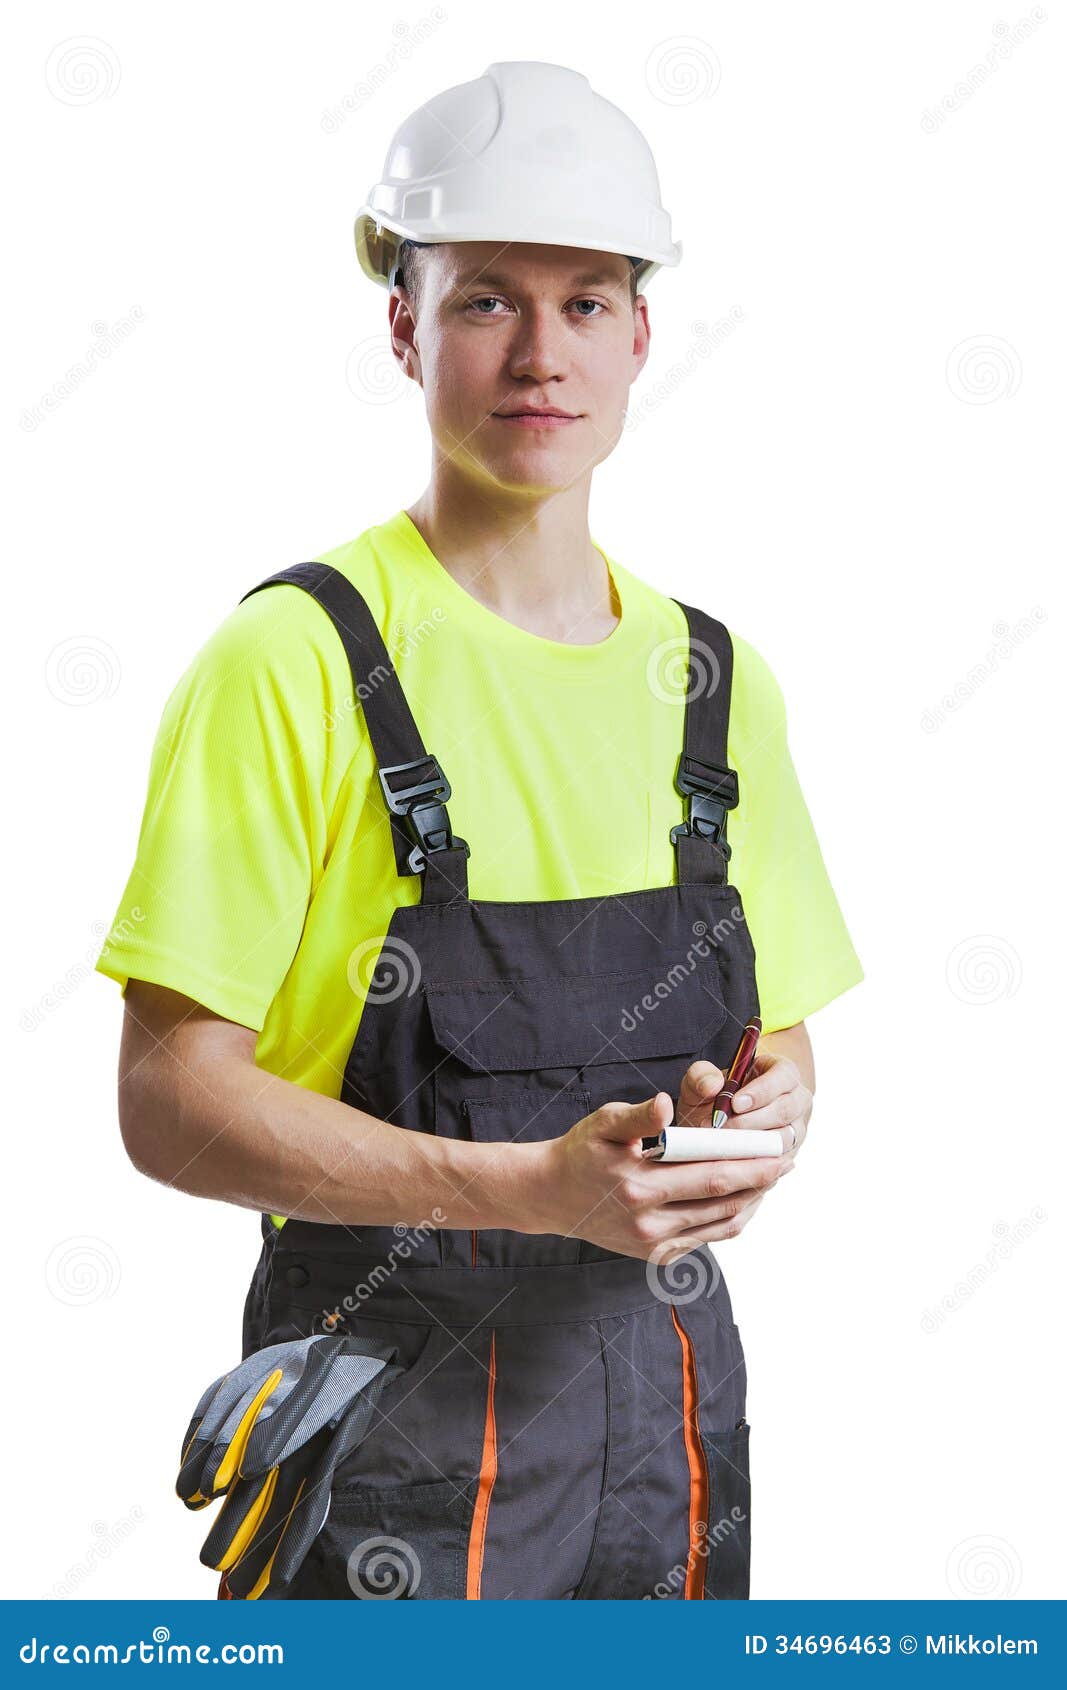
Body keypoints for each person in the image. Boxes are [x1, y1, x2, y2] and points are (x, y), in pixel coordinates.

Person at [97, 61, 863, 1601]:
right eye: (486, 300)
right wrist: (527, 1187)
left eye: (586, 302)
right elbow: (169, 1101)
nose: (540, 354)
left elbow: (781, 1040)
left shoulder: (714, 686)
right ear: (405, 326)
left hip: (671, 1442)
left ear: (641, 336)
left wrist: (764, 1116)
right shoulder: (296, 662)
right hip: (394, 1460)